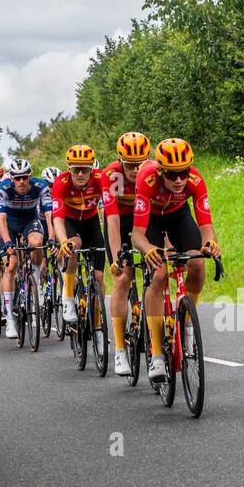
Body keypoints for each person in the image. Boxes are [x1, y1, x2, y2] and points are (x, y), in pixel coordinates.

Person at [131, 138, 221, 382]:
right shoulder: (146, 180)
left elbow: (206, 226)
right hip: (151, 220)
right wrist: (149, 248)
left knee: (198, 262)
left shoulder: (195, 180)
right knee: (158, 275)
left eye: (184, 172)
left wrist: (210, 243)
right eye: (173, 175)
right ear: (160, 171)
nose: (180, 180)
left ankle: (188, 324)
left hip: (179, 216)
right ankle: (157, 355)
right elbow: (137, 235)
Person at [102, 132, 150, 375]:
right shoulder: (112, 175)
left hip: (145, 219)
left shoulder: (152, 172)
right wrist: (116, 255)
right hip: (119, 220)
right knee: (122, 278)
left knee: (158, 266)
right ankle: (120, 350)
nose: (135, 169)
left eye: (139, 163)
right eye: (129, 164)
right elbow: (111, 218)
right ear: (120, 161)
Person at [48, 145, 106, 328]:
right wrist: (64, 241)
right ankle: (68, 297)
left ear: (92, 169)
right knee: (73, 245)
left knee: (98, 277)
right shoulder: (60, 183)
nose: (80, 174)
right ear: (69, 169)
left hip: (91, 222)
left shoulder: (100, 179)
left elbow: (108, 210)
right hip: (69, 222)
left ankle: (98, 325)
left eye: (85, 169)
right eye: (75, 169)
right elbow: (57, 218)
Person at [0, 158, 50, 339]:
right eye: (17, 178)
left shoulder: (40, 186)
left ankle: (35, 283)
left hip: (30, 221)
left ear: (30, 176)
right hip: (8, 224)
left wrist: (54, 240)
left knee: (36, 243)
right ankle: (9, 318)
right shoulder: (3, 189)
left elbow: (49, 215)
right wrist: (8, 242)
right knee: (11, 266)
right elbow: (0, 220)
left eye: (24, 177)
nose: (21, 182)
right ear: (11, 179)